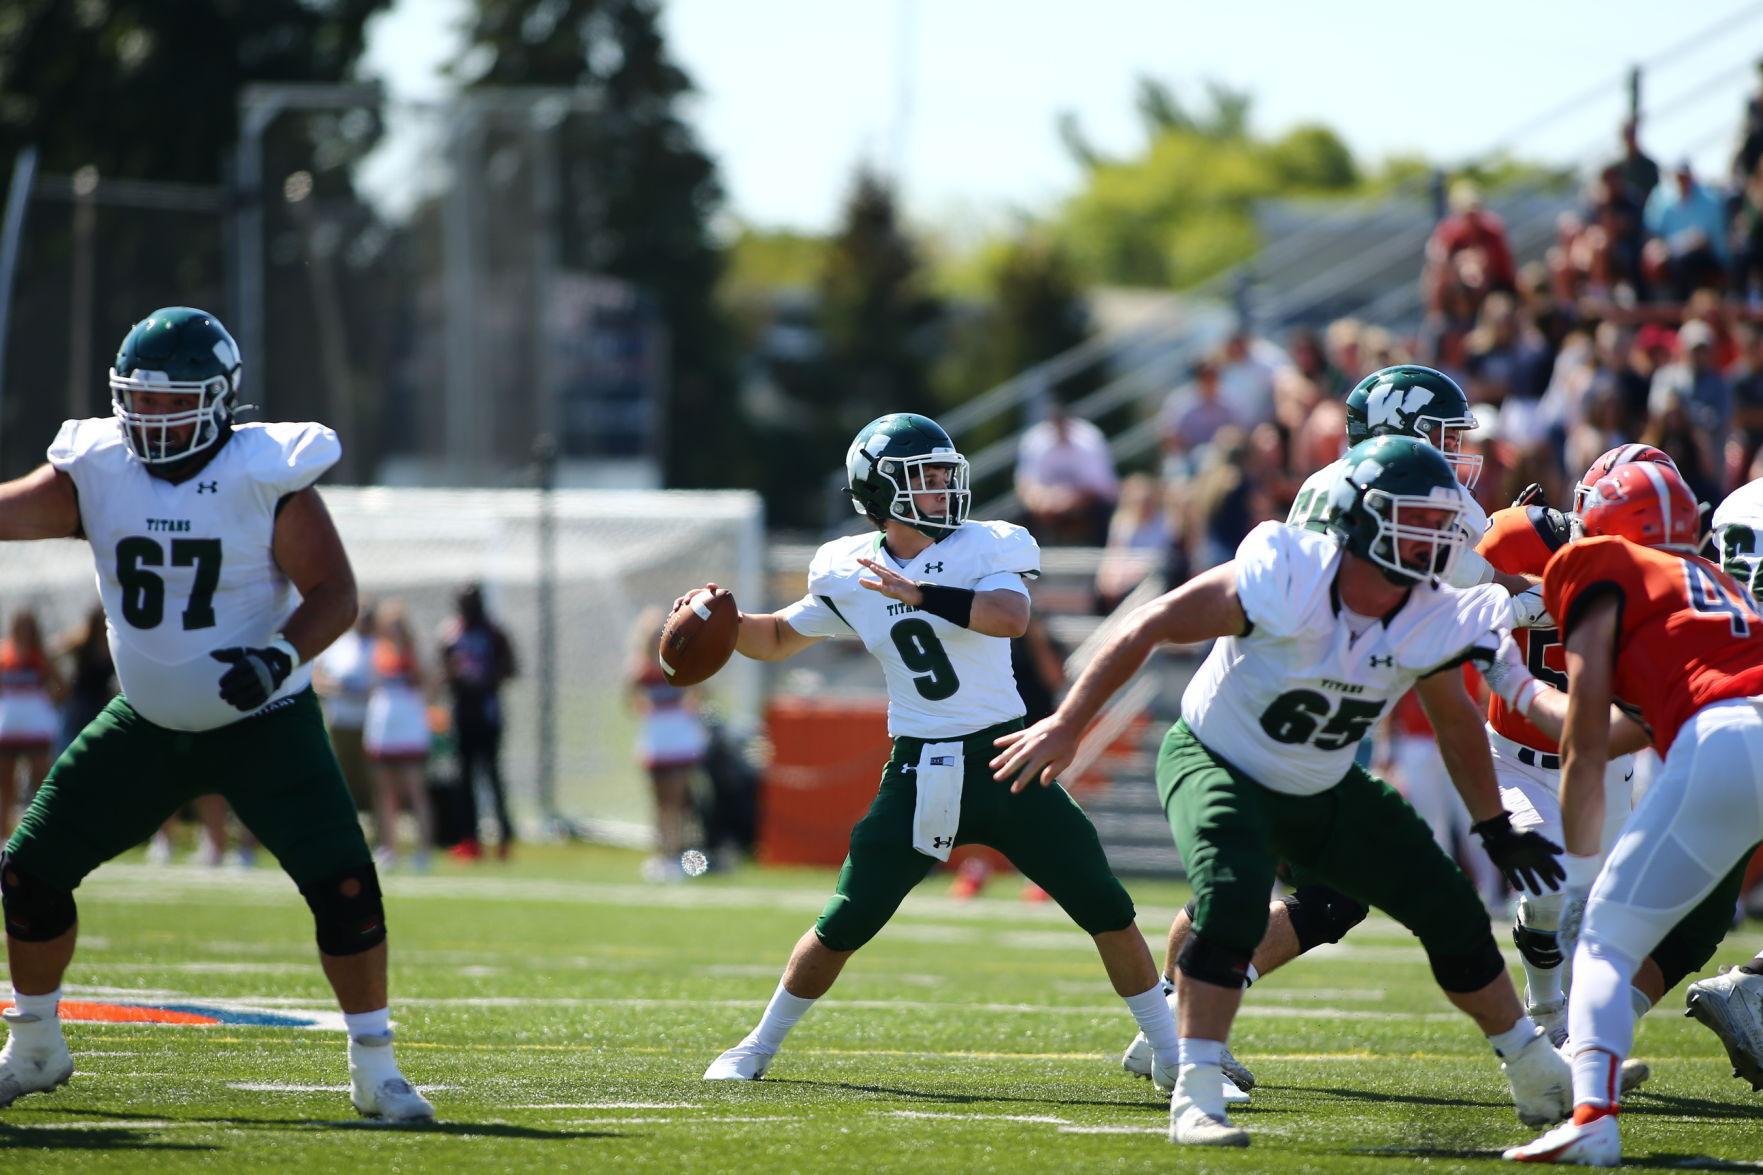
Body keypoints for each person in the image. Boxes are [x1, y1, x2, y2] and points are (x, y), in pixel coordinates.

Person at [994, 435, 1573, 1148]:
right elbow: (1150, 623)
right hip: (1217, 756)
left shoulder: (1434, 608)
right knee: (1232, 889)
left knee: (1445, 900)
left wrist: (1493, 828)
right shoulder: (1288, 570)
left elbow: (1456, 722)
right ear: (1359, 518)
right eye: (1412, 519)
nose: (1430, 538)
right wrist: (1066, 724)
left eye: (1435, 522)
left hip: (1320, 779)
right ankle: (1195, 1091)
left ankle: (1532, 1067)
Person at [0, 306, 431, 1122]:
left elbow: (335, 593)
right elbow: (8, 510)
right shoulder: (95, 468)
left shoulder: (262, 472)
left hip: (265, 720)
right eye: (141, 399)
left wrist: (277, 655)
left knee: (345, 886)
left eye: (172, 401)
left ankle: (376, 1066)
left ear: (220, 397)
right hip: (146, 724)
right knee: (28, 873)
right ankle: (35, 1044)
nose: (152, 417)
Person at [698, 412, 1183, 1102]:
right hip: (919, 764)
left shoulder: (987, 544)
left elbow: (1008, 617)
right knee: (846, 918)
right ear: (878, 490)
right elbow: (777, 637)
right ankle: (756, 1045)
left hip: (1004, 755)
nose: (939, 489)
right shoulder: (846, 567)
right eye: (921, 478)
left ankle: (1170, 1055)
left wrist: (921, 594)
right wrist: (722, 622)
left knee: (1104, 905)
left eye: (942, 475)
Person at [1502, 460, 1763, 1164]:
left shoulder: (1599, 560)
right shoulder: (1713, 583)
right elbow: (1637, 724)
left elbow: (1586, 743)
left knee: (1603, 943)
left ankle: (1591, 1117)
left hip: (1734, 735)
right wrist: (1517, 688)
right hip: (1741, 724)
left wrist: (1583, 874)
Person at [628, 606, 709, 883]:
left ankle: (677, 856)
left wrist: (690, 708)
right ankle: (661, 854)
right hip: (656, 738)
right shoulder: (640, 669)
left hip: (679, 738)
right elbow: (630, 699)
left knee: (677, 800)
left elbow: (701, 690)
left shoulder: (679, 661)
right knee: (658, 800)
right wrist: (645, 708)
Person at [439, 583, 517, 860]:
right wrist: (455, 673)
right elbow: (443, 672)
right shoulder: (451, 635)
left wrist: (483, 678)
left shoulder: (494, 633)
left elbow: (511, 668)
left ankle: (504, 840)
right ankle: (469, 839)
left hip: (488, 714)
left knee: (492, 777)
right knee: (464, 780)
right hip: (462, 715)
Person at [364, 603, 435, 872]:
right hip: (383, 724)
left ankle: (423, 850)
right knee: (385, 790)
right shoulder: (377, 650)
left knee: (414, 788)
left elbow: (427, 685)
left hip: (408, 725)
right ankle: (389, 847)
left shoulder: (414, 652)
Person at [1013, 398, 1119, 545]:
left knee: (1104, 512)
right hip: (1046, 505)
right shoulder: (1034, 440)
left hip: (1085, 505)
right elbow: (1025, 485)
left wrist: (1070, 499)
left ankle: (1103, 557)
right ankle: (1027, 559)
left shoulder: (1089, 439)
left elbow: (1102, 488)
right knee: (1020, 517)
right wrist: (1045, 501)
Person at [313, 600, 379, 828]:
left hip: (373, 724)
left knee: (374, 781)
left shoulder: (380, 645)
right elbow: (317, 679)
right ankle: (342, 827)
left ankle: (380, 834)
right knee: (341, 778)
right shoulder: (338, 645)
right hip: (341, 721)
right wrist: (339, 688)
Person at [0, 612, 64, 841]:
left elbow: (62, 687)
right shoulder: (4, 654)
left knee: (41, 782)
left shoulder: (41, 657)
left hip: (35, 728)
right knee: (6, 785)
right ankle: (3, 837)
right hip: (8, 728)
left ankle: (43, 835)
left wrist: (43, 707)